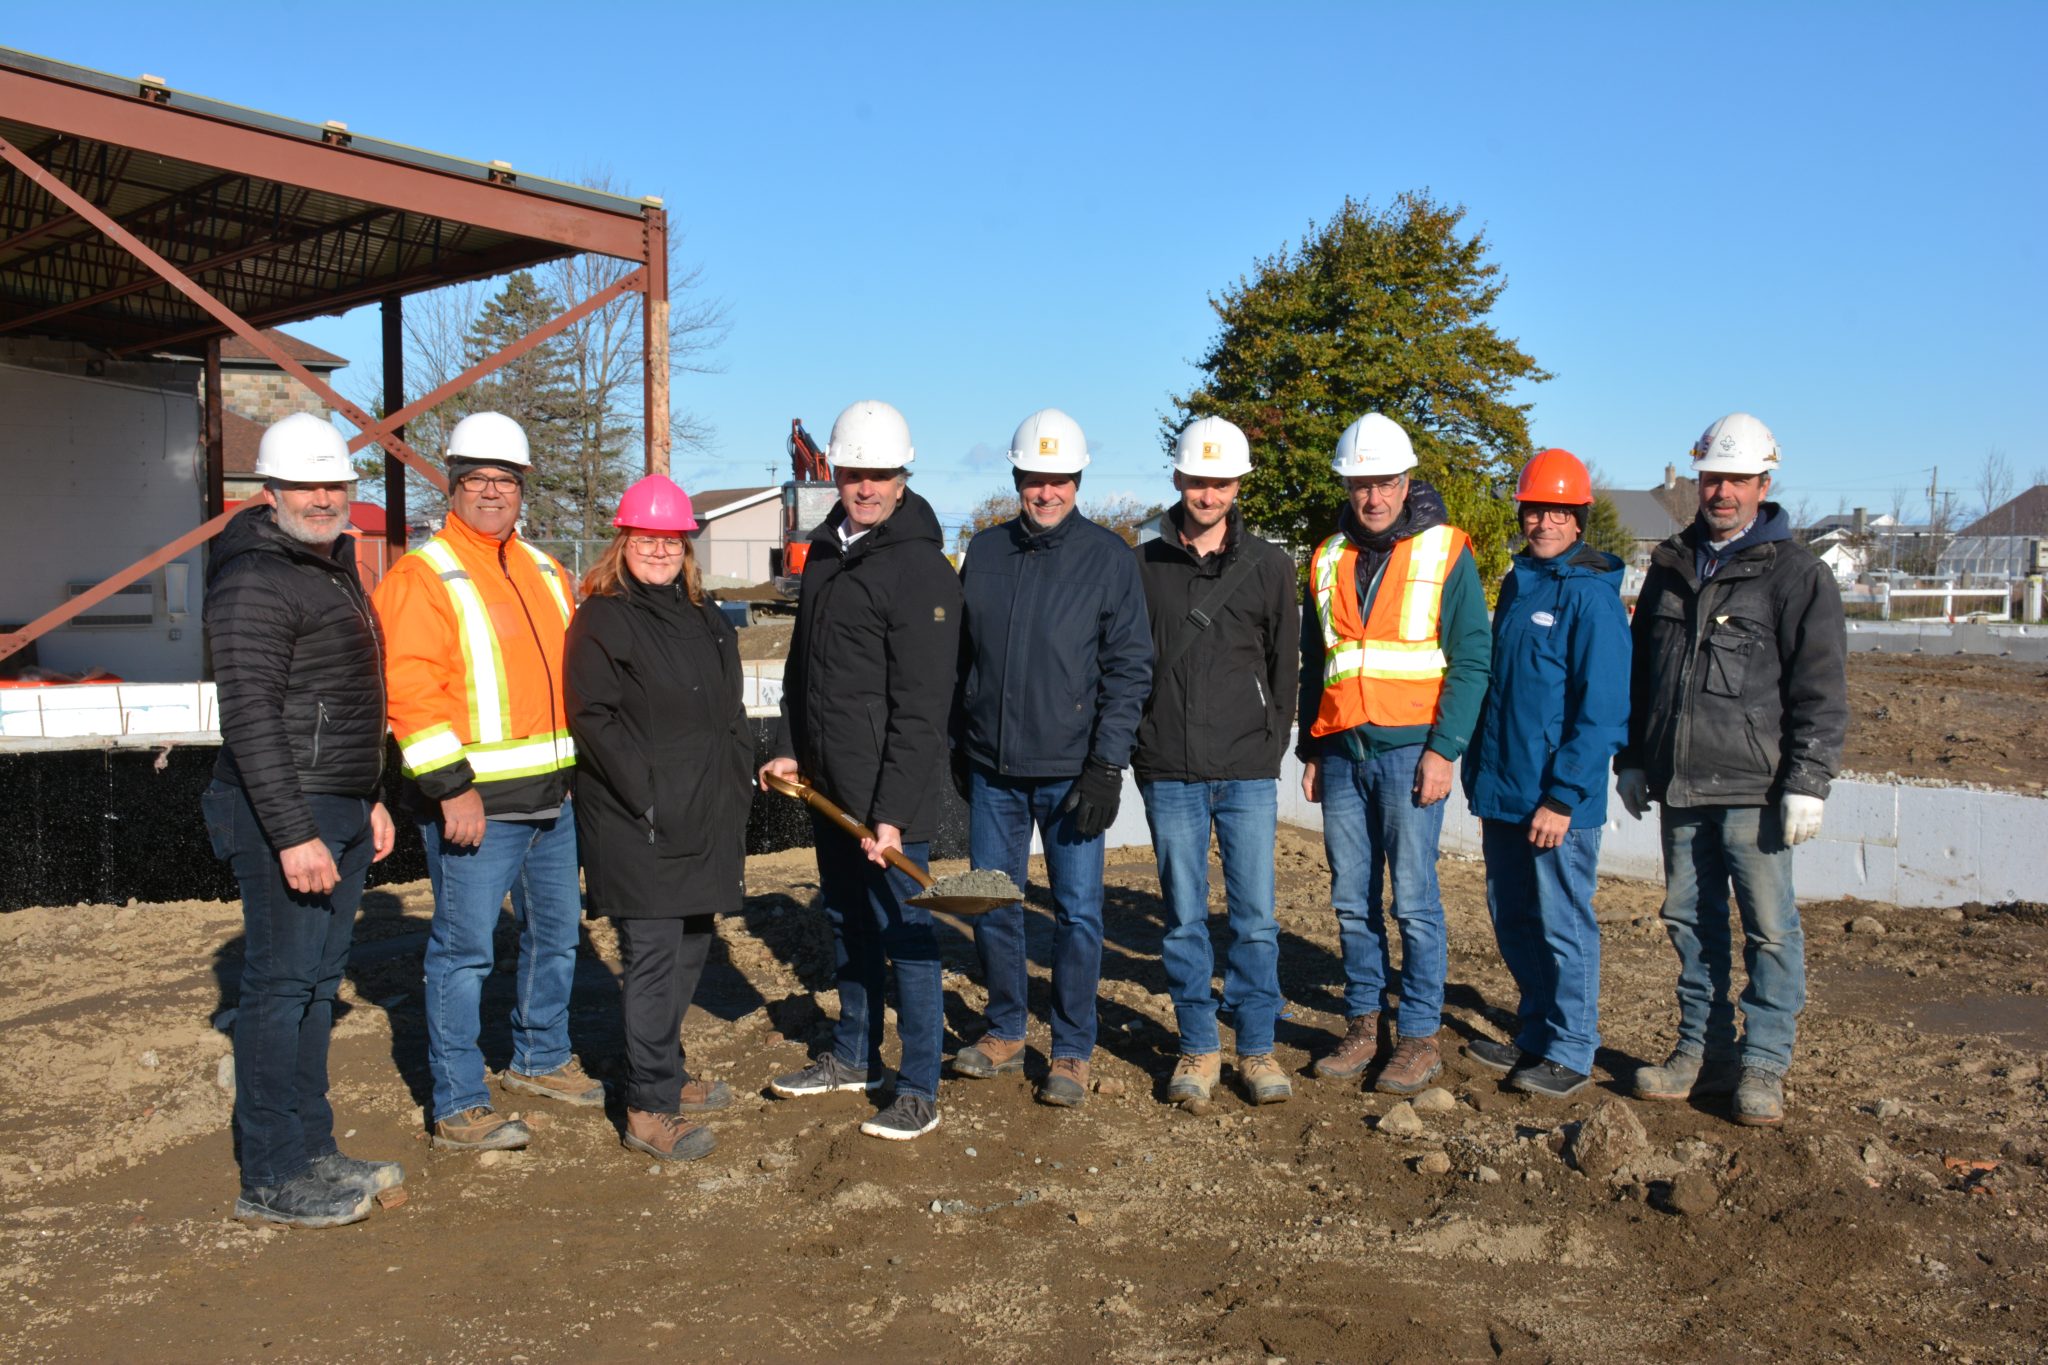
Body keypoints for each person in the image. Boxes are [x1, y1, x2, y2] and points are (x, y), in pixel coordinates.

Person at [1616, 413, 1847, 1126]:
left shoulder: (1797, 575)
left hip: (1756, 789)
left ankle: (1764, 1063)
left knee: (1770, 930)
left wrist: (1808, 782)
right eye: (1713, 478)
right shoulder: (1671, 566)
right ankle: (1703, 1051)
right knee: (1690, 922)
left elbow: (1820, 689)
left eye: (1737, 480)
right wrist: (1633, 757)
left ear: (1763, 485)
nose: (1722, 491)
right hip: (1680, 784)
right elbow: (1643, 675)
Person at [200, 412, 401, 1228]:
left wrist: (370, 794)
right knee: (280, 989)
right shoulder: (256, 578)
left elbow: (343, 699)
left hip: (338, 801)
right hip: (286, 808)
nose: (323, 498)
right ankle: (270, 1173)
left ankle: (312, 1147)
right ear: (271, 491)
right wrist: (292, 831)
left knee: (317, 985)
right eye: (306, 485)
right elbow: (251, 715)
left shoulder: (328, 566)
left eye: (334, 485)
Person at [375, 411, 594, 1152]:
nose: (493, 492)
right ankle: (459, 1100)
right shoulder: (423, 575)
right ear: (453, 484)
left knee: (557, 938)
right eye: (478, 479)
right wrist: (449, 787)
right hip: (476, 806)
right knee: (464, 954)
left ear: (523, 487)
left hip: (552, 799)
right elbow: (410, 690)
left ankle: (540, 1057)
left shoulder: (544, 570)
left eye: (506, 480)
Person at [758, 401, 962, 1140]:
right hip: (829, 785)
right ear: (836, 474)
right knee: (847, 920)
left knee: (907, 931)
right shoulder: (825, 553)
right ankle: (854, 1055)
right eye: (853, 473)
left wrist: (894, 813)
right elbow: (800, 666)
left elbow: (922, 706)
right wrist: (790, 745)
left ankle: (920, 1087)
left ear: (902, 477)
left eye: (879, 474)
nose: (865, 486)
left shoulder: (921, 570)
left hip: (889, 798)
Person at [951, 408, 1152, 1107]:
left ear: (1078, 481)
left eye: (1060, 479)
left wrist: (1106, 764)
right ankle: (1006, 1028)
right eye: (1035, 479)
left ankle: (1070, 1048)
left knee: (1079, 915)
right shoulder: (984, 553)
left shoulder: (1108, 558)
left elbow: (1129, 668)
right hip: (993, 771)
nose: (1047, 491)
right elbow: (961, 658)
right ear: (1017, 479)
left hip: (1072, 774)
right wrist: (959, 739)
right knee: (993, 904)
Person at [1298, 413, 1491, 1095]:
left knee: (1413, 900)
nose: (1373, 497)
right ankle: (1363, 1023)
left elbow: (1472, 658)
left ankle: (1418, 1036)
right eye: (1361, 485)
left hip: (1412, 753)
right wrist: (1312, 744)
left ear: (1407, 482)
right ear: (1347, 488)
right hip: (1342, 754)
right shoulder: (1327, 557)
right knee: (1352, 900)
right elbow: (1318, 661)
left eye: (1384, 483)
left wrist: (1445, 750)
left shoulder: (1445, 551)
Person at [565, 475, 748, 1163]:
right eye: (646, 539)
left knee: (691, 945)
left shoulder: (704, 616)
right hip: (639, 820)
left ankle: (662, 1070)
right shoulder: (605, 618)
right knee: (652, 957)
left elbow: (727, 710)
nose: (659, 551)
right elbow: (594, 718)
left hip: (703, 811)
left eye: (670, 541)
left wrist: (732, 783)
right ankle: (646, 1107)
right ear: (623, 542)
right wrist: (648, 794)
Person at [1134, 417, 1299, 1107]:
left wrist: (1268, 744)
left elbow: (1284, 666)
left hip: (1246, 770)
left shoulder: (1269, 565)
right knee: (1183, 919)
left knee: (1255, 919)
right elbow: (1128, 659)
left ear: (1238, 486)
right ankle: (1199, 1046)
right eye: (1198, 481)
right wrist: (1143, 744)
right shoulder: (1141, 563)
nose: (1209, 494)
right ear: (1178, 478)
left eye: (1222, 482)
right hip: (1168, 768)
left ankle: (1256, 1048)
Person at [1461, 449, 1631, 1099]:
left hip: (1556, 801)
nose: (1545, 522)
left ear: (1580, 518)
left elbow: (1602, 710)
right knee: (1514, 917)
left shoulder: (1590, 598)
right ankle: (1535, 1031)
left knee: (1563, 923)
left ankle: (1571, 1048)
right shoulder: (1517, 584)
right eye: (1536, 510)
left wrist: (1562, 795)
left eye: (1559, 511)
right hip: (1507, 792)